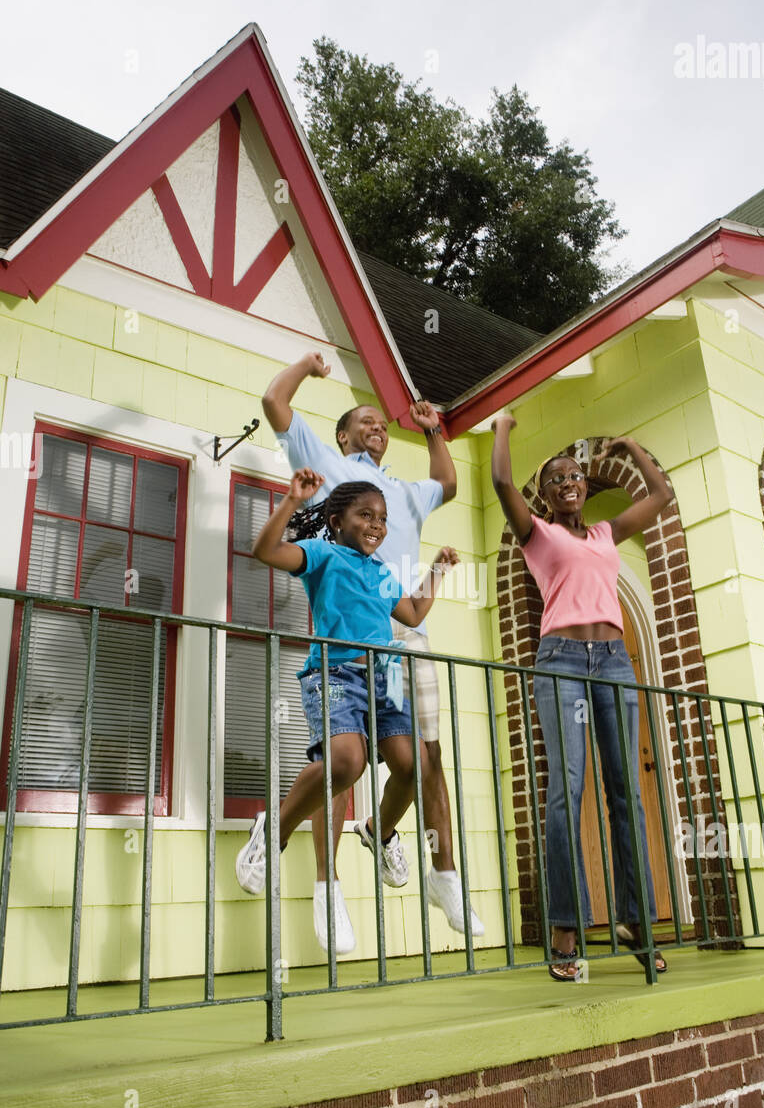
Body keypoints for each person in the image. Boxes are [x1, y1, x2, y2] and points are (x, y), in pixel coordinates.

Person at [258, 351, 483, 939]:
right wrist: (307, 366)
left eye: (384, 422)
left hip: (402, 632)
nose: (378, 426)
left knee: (422, 761)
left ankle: (412, 856)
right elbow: (274, 405)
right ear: (340, 434)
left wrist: (434, 430)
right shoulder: (327, 466)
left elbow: (450, 483)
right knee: (342, 760)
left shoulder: (404, 495)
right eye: (365, 420)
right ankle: (327, 887)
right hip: (346, 640)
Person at [234, 469, 459, 955]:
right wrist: (292, 501)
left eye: (382, 518)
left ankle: (379, 834)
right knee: (347, 762)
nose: (376, 524)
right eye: (365, 515)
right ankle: (276, 832)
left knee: (414, 766)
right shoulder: (323, 555)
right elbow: (265, 551)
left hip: (388, 678)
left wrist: (437, 570)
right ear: (337, 521)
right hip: (336, 675)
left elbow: (413, 614)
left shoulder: (381, 572)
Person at [491, 414, 674, 980]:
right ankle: (566, 927)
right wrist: (502, 428)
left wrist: (633, 446)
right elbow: (501, 484)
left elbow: (662, 495)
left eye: (575, 476)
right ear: (545, 498)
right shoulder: (537, 536)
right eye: (556, 479)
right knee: (566, 790)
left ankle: (635, 920)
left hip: (615, 664)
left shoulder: (604, 535)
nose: (569, 482)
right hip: (563, 663)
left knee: (626, 793)